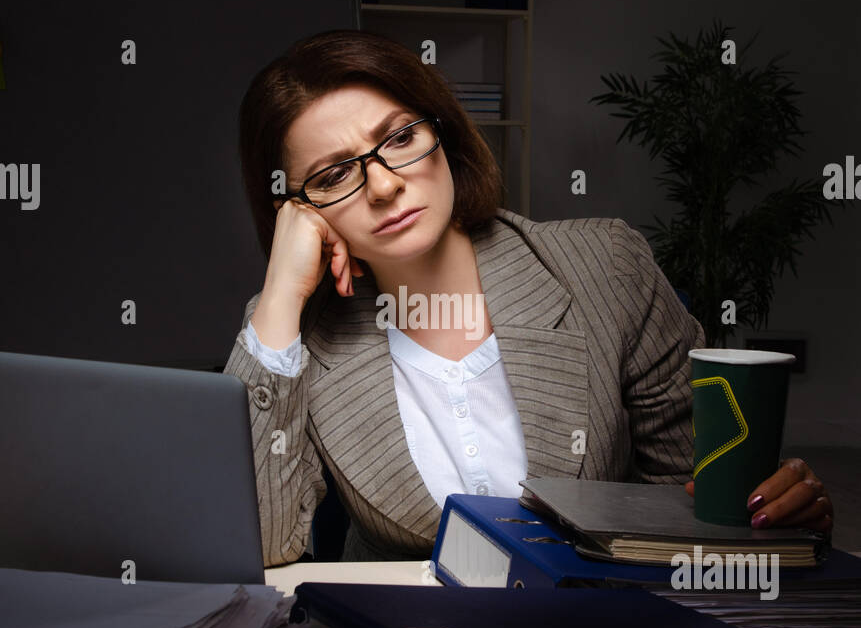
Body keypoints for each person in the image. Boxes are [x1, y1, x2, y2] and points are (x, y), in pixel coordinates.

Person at [223, 29, 834, 566]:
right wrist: (279, 296)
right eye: (333, 175)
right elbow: (260, 545)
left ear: (444, 134)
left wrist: (776, 512)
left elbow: (696, 502)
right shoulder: (294, 330)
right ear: (294, 209)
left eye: (401, 137)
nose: (383, 185)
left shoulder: (604, 268)